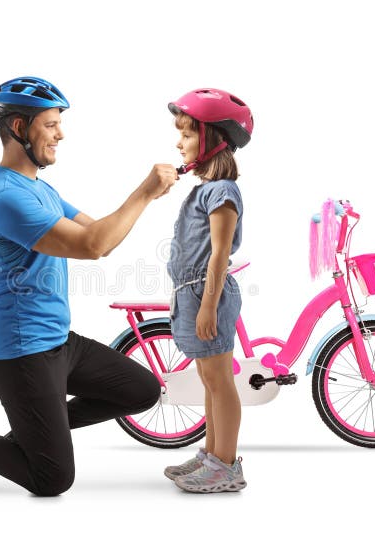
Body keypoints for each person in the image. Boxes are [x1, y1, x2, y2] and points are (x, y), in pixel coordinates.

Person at [0, 76, 179, 496]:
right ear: (19, 128)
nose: (60, 134)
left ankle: (38, 429)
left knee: (142, 390)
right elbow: (93, 246)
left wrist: (151, 202)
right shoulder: (6, 198)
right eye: (50, 125)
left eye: (59, 124)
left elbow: (98, 230)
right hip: (20, 353)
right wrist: (143, 192)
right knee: (52, 480)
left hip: (57, 343)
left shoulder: (38, 189)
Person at [162, 88, 253, 493]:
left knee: (220, 382)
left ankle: (227, 466)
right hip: (194, 293)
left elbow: (219, 255)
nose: (178, 142)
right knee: (209, 379)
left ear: (212, 140)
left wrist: (208, 307)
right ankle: (212, 455)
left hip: (208, 294)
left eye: (186, 134)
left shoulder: (223, 192)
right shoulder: (205, 190)